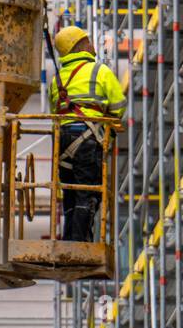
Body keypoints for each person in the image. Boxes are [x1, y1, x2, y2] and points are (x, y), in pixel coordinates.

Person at [48, 25, 126, 242]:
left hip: (62, 141)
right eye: (88, 40)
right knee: (88, 192)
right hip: (89, 139)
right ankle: (80, 243)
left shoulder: (57, 80)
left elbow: (54, 109)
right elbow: (119, 106)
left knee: (70, 193)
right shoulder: (100, 71)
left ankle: (68, 240)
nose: (92, 44)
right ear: (79, 45)